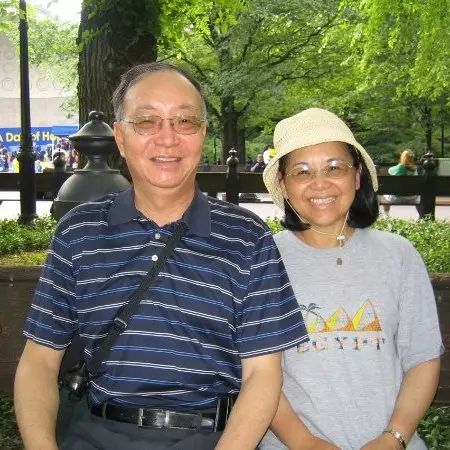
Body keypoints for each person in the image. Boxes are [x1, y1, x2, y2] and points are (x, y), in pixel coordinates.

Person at [14, 62, 308, 450]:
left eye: (184, 121)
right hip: (97, 435)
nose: (167, 139)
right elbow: (39, 361)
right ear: (120, 137)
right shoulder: (78, 232)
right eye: (147, 122)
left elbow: (263, 375)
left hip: (212, 439)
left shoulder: (247, 238)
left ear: (203, 134)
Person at [260, 108, 443, 450]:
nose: (320, 183)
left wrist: (394, 437)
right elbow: (255, 372)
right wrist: (306, 444)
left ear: (357, 177)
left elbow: (422, 357)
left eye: (334, 167)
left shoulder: (398, 255)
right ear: (284, 185)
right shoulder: (263, 260)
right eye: (302, 171)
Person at [382, 149, 420, 217]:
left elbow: (390, 170)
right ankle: (420, 215)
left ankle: (386, 215)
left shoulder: (400, 167)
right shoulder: (414, 169)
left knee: (385, 195)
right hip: (412, 198)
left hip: (397, 198)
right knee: (418, 196)